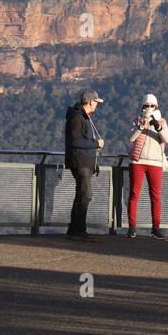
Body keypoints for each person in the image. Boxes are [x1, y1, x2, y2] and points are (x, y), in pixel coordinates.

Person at [127, 93, 168, 239]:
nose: (149, 108)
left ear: (156, 107)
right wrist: (141, 126)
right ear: (142, 106)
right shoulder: (137, 120)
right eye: (146, 106)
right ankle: (132, 228)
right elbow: (131, 138)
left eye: (152, 106)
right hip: (138, 161)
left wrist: (157, 126)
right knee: (134, 195)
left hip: (155, 162)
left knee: (155, 196)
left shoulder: (162, 122)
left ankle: (155, 229)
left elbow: (167, 139)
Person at [63, 89, 105, 242]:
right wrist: (95, 144)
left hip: (84, 162)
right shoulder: (77, 117)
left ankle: (74, 229)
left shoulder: (83, 117)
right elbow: (75, 141)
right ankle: (79, 231)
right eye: (95, 102)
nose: (96, 105)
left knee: (81, 195)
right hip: (80, 162)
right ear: (89, 101)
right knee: (85, 195)